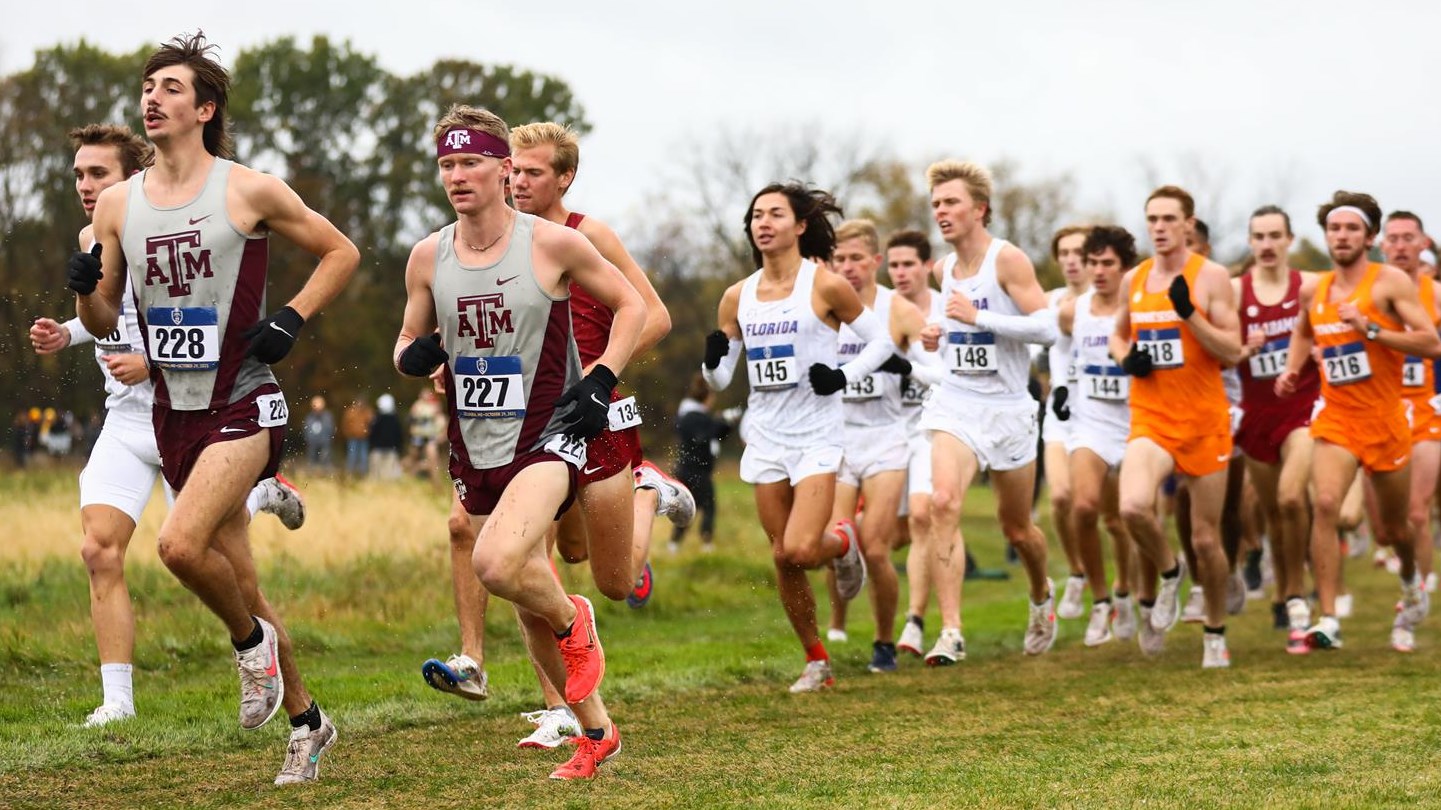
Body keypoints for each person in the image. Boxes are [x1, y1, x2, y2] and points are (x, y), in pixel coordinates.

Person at [72, 33, 356, 783]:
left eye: (169, 87)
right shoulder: (116, 204)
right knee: (244, 585)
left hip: (244, 400)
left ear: (204, 108)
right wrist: (84, 288)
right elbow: (103, 321)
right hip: (171, 411)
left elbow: (341, 252)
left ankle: (248, 649)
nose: (151, 97)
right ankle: (308, 722)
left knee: (176, 546)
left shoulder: (246, 189)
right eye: (146, 86)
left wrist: (290, 317)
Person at [394, 104, 644, 779]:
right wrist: (415, 357)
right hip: (473, 440)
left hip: (548, 434)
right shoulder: (428, 255)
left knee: (499, 563)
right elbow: (407, 342)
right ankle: (596, 734)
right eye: (446, 164)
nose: (456, 175)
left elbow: (633, 307)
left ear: (504, 169)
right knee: (525, 601)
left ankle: (578, 618)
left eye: (469, 161)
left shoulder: (549, 244)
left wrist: (601, 381)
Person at [30, 122, 304, 729]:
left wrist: (150, 360)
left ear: (135, 174)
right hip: (126, 421)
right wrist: (67, 328)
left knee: (208, 558)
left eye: (97, 174)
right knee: (98, 550)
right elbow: (110, 316)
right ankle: (118, 702)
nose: (85, 185)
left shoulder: (181, 220)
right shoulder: (97, 229)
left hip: (197, 413)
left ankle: (258, 491)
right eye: (78, 174)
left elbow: (202, 322)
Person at [703, 181, 884, 692]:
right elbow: (719, 380)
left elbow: (881, 341)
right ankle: (817, 659)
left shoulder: (825, 285)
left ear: (800, 226)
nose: (763, 222)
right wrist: (715, 355)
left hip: (818, 433)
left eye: (775, 214)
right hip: (765, 434)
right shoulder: (737, 296)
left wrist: (843, 376)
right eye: (757, 215)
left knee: (803, 549)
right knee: (782, 555)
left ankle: (843, 542)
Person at [508, 121, 691, 611]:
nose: (518, 183)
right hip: (534, 412)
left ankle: (648, 491)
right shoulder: (502, 241)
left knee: (616, 584)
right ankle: (559, 685)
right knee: (570, 551)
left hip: (594, 406)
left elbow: (656, 316)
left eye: (532, 172)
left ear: (564, 178)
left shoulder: (589, 235)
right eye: (514, 171)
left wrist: (601, 368)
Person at [1276, 191, 1437, 652]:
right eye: (1333, 228)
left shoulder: (1389, 284)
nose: (1341, 236)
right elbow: (1304, 331)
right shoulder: (1315, 289)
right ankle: (1327, 617)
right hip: (1336, 417)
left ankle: (1409, 580)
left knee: (1394, 529)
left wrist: (1369, 328)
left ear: (1368, 237)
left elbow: (1430, 342)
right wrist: (1292, 369)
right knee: (1325, 503)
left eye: (1350, 228)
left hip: (1387, 421)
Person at [916, 160, 1059, 665]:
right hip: (956, 402)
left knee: (1017, 530)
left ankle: (1042, 595)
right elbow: (947, 321)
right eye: (936, 204)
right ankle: (951, 630)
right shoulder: (941, 268)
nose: (942, 211)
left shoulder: (1008, 260)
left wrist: (980, 318)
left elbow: (1047, 328)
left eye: (951, 202)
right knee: (943, 503)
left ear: (979, 209)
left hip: (1008, 409)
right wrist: (935, 332)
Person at [1109, 185, 1241, 668]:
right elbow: (1118, 335)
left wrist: (1190, 316)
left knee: (1207, 538)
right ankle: (1169, 571)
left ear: (1189, 225)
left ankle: (1214, 632)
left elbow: (1232, 350)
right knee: (1133, 508)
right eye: (1153, 219)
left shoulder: (1212, 277)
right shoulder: (1136, 279)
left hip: (1204, 420)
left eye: (1169, 219)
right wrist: (1129, 358)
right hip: (1153, 416)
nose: (1160, 228)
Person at [821, 218, 930, 673]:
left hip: (888, 439)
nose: (847, 267)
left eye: (855, 259)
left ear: (875, 261)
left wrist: (907, 368)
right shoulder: (823, 307)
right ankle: (840, 613)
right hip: (838, 438)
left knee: (877, 546)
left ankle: (885, 641)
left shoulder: (899, 310)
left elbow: (937, 372)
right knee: (833, 540)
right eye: (839, 259)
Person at [1232, 205, 1321, 653]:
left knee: (1291, 497)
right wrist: (1240, 349)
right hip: (1254, 415)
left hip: (1302, 408)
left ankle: (1297, 594)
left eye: (1274, 236)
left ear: (1289, 240)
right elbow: (1217, 350)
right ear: (1250, 243)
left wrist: (1321, 352)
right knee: (1273, 516)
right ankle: (1288, 593)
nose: (1266, 244)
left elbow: (1334, 332)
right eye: (1259, 236)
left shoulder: (1310, 287)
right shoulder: (1234, 292)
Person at [1054, 225, 1141, 646]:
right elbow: (1063, 351)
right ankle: (1102, 599)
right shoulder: (1075, 310)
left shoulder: (1141, 306)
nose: (1099, 270)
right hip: (1091, 421)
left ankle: (1129, 591)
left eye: (1108, 263)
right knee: (1083, 508)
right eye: (1093, 262)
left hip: (1137, 422)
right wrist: (1061, 390)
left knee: (1128, 517)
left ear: (1125, 268)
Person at [884, 229, 947, 657]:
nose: (901, 273)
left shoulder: (946, 309)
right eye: (894, 265)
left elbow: (948, 373)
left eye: (909, 264)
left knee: (925, 517)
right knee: (891, 536)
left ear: (927, 265)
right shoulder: (880, 309)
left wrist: (907, 367)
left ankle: (916, 621)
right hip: (888, 430)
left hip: (936, 427)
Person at [1380, 211, 1441, 605]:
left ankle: (1418, 591)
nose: (1401, 246)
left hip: (1428, 411)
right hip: (1379, 411)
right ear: (1382, 245)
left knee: (1418, 512)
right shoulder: (1369, 292)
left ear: (1424, 245)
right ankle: (1412, 572)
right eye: (1394, 239)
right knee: (1388, 526)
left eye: (1408, 238)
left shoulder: (1435, 296)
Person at [1042, 226, 1093, 620]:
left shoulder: (1111, 302)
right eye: (1065, 252)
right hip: (1060, 414)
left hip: (1101, 416)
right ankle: (1077, 573)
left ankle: (1122, 591)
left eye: (1079, 251)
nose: (1072, 259)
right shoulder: (1049, 301)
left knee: (1105, 514)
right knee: (1060, 497)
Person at [672, 373, 739, 553]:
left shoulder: (684, 414)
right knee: (708, 507)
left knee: (685, 508)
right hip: (698, 472)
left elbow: (712, 432)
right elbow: (710, 434)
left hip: (683, 470)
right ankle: (706, 544)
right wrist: (726, 422)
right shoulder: (697, 418)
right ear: (706, 397)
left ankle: (674, 544)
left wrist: (724, 423)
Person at [368, 393, 404, 479]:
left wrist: (372, 444)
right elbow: (399, 435)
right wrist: (398, 447)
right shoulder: (394, 419)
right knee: (388, 474)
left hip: (379, 448)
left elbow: (372, 433)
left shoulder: (377, 418)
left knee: (376, 473)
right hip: (390, 448)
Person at [340, 395, 373, 477]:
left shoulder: (368, 412)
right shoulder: (350, 412)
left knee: (363, 457)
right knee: (352, 456)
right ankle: (350, 473)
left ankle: (363, 474)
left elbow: (372, 424)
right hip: (352, 438)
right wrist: (348, 434)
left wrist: (368, 433)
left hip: (364, 438)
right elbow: (345, 424)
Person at [302, 395, 335, 469]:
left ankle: (326, 476)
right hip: (312, 443)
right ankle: (312, 476)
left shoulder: (327, 416)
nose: (317, 407)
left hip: (325, 442)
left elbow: (331, 429)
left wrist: (327, 439)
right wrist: (308, 439)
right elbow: (306, 429)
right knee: (312, 461)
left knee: (325, 460)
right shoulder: (309, 417)